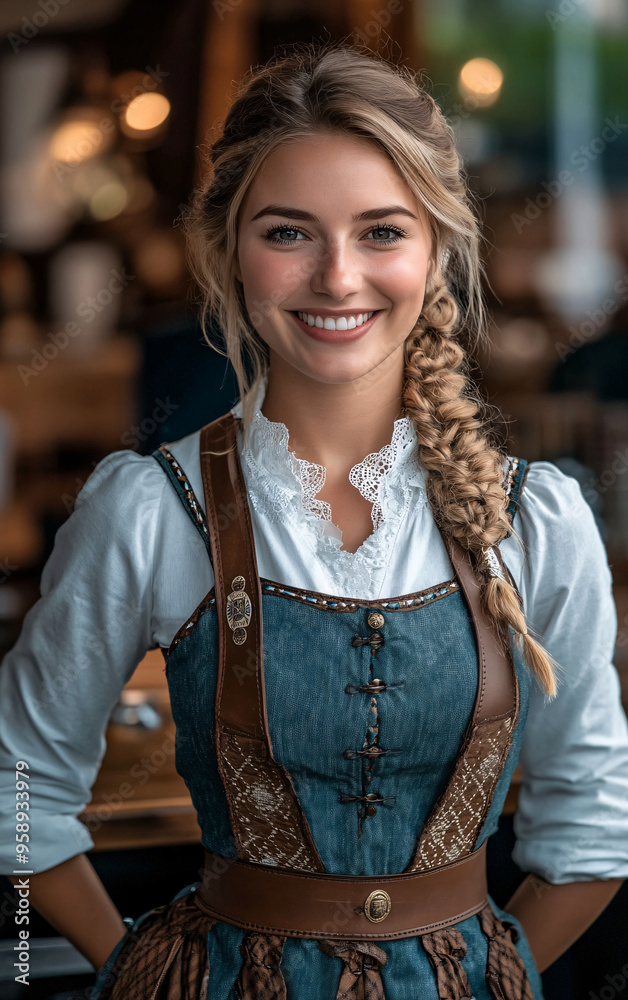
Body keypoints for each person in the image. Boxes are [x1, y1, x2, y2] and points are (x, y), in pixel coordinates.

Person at [1, 42, 628, 1000]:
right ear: (228, 250)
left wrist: (489, 980)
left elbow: (595, 827)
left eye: (382, 232)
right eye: (289, 232)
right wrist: (133, 971)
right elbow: (18, 785)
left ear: (435, 250)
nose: (337, 277)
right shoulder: (149, 509)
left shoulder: (537, 519)